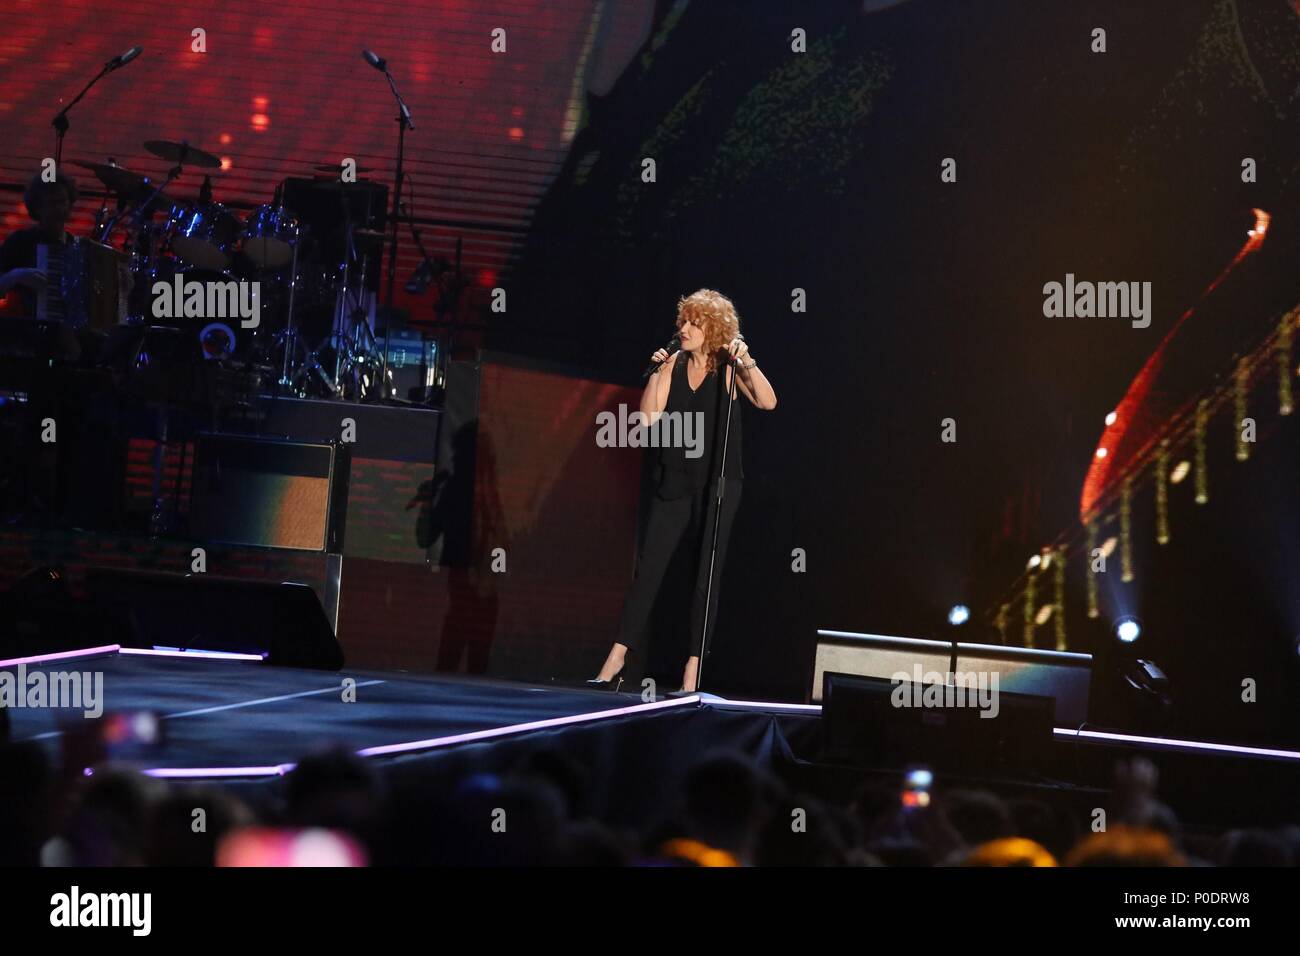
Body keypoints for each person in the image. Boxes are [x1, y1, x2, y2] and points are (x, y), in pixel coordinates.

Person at [589, 289, 777, 693]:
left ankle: (692, 672)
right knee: (649, 570)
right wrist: (660, 369)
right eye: (683, 321)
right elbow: (647, 418)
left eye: (694, 323)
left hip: (719, 483)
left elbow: (767, 401)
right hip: (675, 481)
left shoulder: (727, 369)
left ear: (713, 329)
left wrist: (746, 360)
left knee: (705, 578)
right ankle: (616, 659)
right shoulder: (671, 365)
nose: (685, 329)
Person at [0, 171, 81, 360]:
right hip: (26, 339)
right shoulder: (20, 241)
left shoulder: (78, 247)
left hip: (71, 340)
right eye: (52, 203)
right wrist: (15, 276)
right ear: (37, 208)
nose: (59, 209)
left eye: (63, 201)